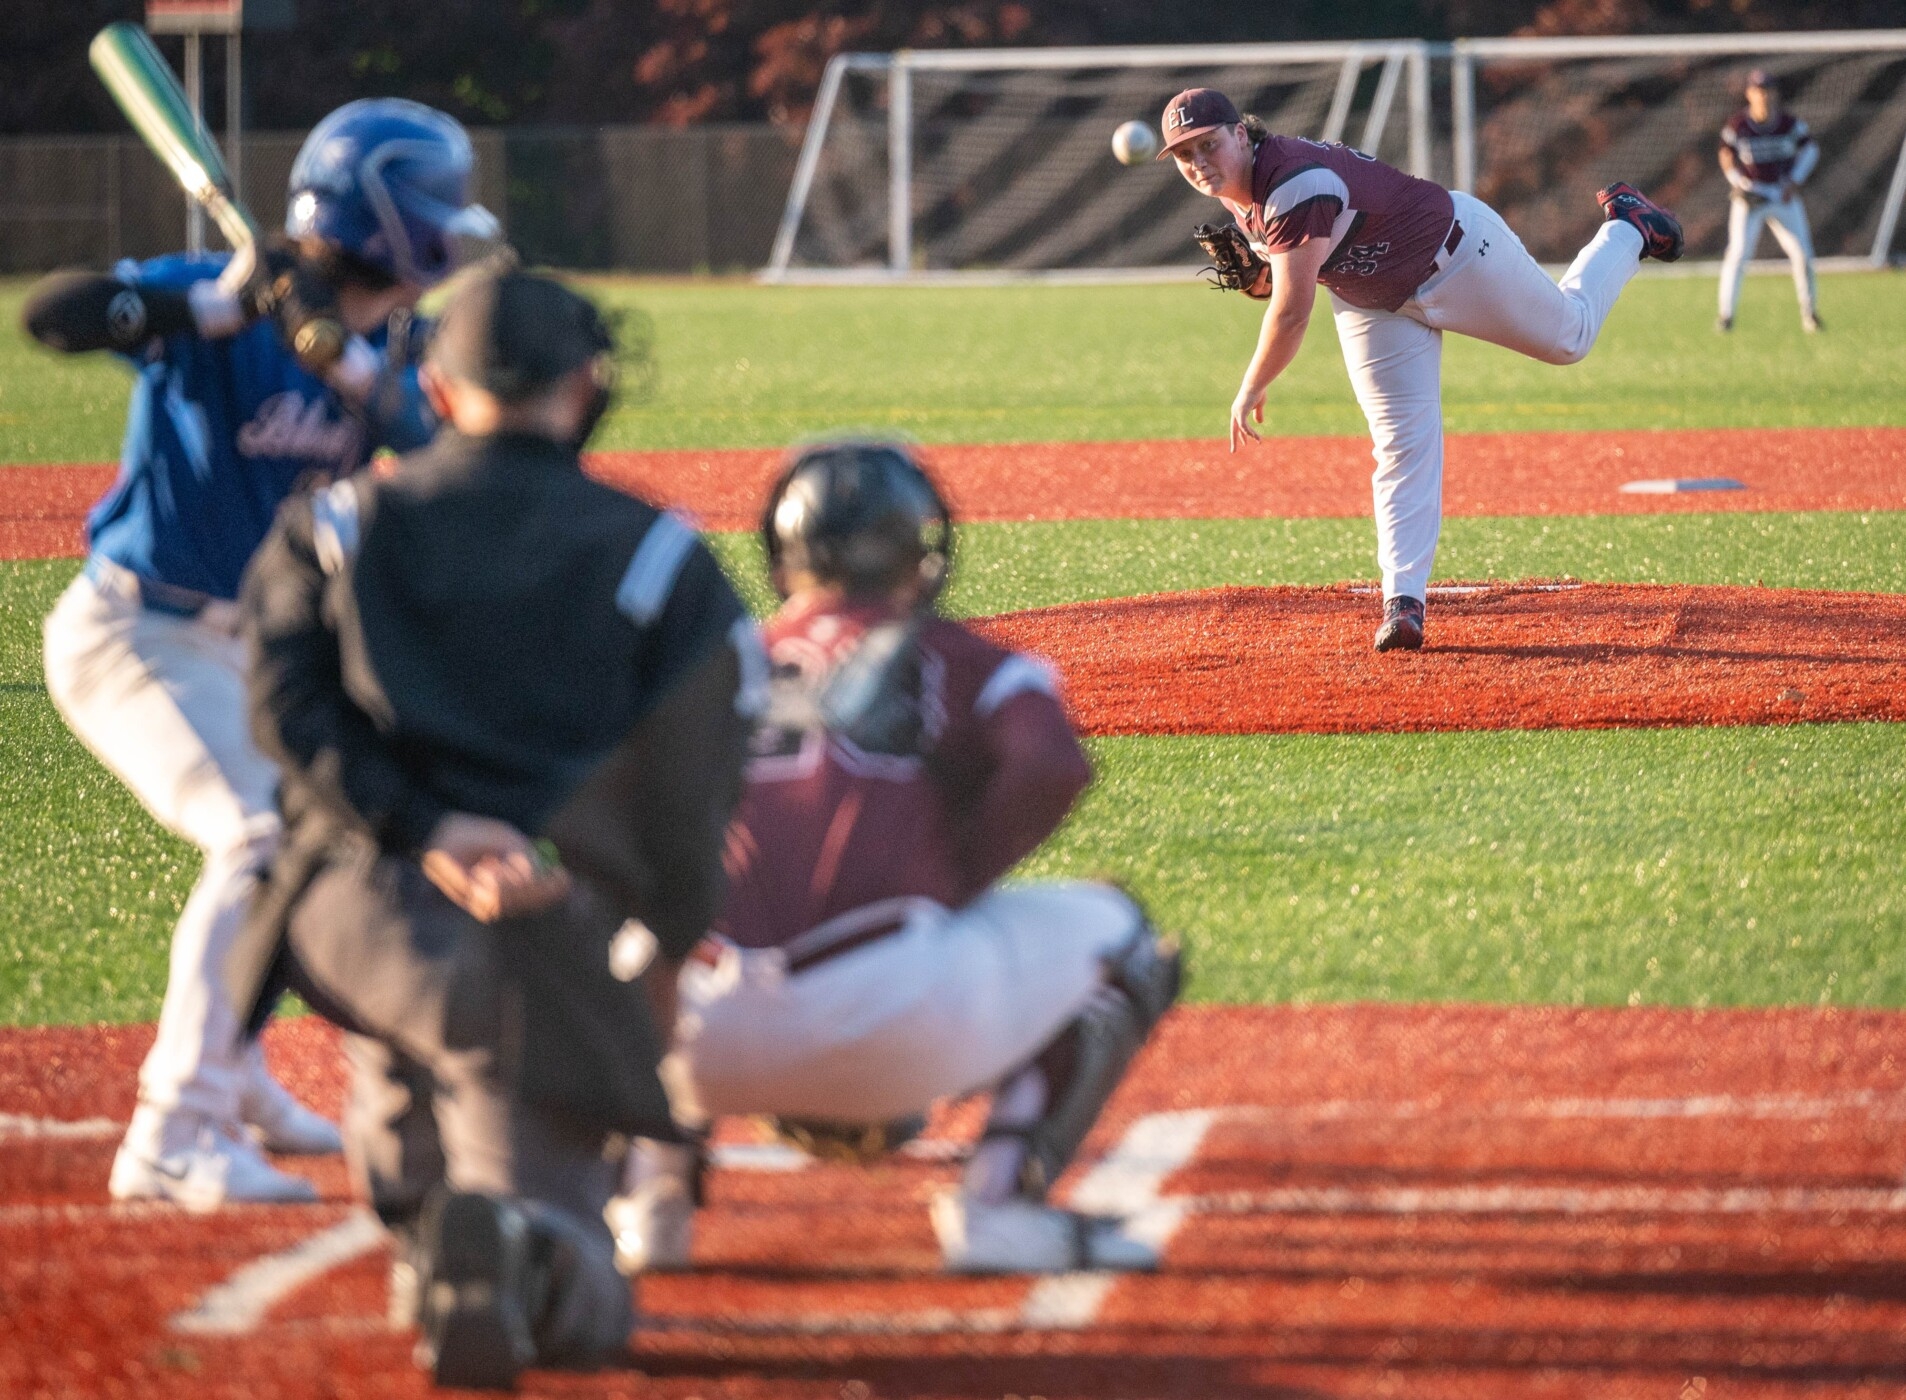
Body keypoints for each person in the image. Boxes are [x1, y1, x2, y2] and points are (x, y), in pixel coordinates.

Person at [237, 267, 758, 1389]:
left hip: (357, 922)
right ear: (585, 387)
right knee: (570, 1261)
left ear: (434, 383)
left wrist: (424, 823)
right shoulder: (658, 555)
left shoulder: (335, 519)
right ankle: (518, 1243)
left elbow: (284, 713)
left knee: (418, 1042)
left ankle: (420, 1193)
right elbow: (689, 805)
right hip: (543, 925)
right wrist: (645, 951)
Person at [22, 98, 496, 1209]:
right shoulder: (223, 294)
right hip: (138, 631)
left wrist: (363, 385)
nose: (451, 236)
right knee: (257, 834)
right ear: (386, 218)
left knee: (316, 843)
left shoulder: (389, 339)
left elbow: (439, 468)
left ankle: (235, 1076)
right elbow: (55, 315)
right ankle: (172, 1131)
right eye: (434, 212)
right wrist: (206, 307)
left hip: (261, 653)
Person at [607, 440, 1182, 1278]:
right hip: (893, 1017)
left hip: (695, 1037)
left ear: (782, 555)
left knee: (627, 938)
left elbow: (619, 804)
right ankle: (998, 1210)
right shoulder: (961, 656)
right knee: (1121, 935)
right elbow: (1052, 764)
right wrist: (957, 873)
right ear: (923, 550)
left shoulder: (716, 657)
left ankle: (648, 1198)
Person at [1158, 87, 1683, 652]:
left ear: (1241, 134)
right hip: (1370, 299)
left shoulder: (1292, 180)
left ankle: (1628, 225)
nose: (1199, 163)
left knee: (1570, 338)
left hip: (1456, 256)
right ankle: (1402, 603)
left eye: (1208, 144)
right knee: (1400, 444)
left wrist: (1250, 386)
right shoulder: (1242, 192)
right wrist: (1256, 280)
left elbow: (1290, 312)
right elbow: (1286, 279)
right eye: (1186, 155)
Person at [1717, 68, 1821, 334]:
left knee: (1803, 254)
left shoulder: (1788, 123)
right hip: (1751, 196)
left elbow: (1810, 148)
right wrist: (1738, 183)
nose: (1763, 96)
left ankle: (1810, 314)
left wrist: (1795, 180)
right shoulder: (1739, 124)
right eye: (1758, 90)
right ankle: (1726, 315)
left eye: (1767, 90)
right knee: (1738, 253)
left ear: (1775, 93)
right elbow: (1726, 154)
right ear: (1749, 93)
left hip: (1780, 194)